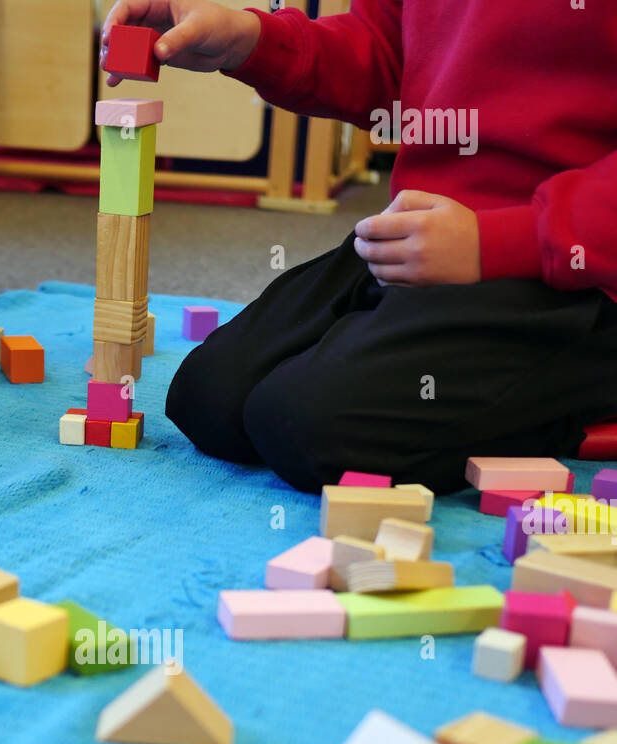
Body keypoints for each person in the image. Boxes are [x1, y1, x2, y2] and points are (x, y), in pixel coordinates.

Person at [103, 1, 617, 494]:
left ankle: (581, 397)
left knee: (308, 429)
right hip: (424, 227)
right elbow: (388, 57)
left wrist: (502, 242)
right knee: (209, 400)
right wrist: (249, 39)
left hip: (581, 265)